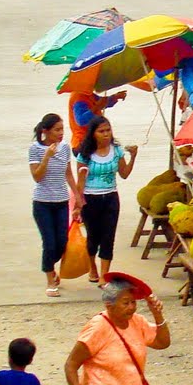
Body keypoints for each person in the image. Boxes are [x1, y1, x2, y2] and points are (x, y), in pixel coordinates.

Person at [72, 116, 138, 285]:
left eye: (108, 130)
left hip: (110, 198)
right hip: (90, 199)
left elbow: (124, 174)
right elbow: (80, 181)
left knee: (108, 237)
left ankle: (104, 275)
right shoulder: (85, 154)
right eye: (101, 131)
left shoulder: (116, 151)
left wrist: (133, 157)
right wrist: (78, 205)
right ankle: (92, 266)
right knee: (93, 237)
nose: (106, 134)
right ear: (93, 134)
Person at [29, 113, 77, 296]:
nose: (60, 133)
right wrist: (47, 156)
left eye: (62, 129)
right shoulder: (35, 149)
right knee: (49, 243)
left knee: (62, 243)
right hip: (42, 202)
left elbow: (68, 173)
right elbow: (37, 177)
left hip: (61, 200)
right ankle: (50, 279)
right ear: (45, 131)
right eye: (57, 130)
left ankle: (49, 266)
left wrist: (78, 195)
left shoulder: (64, 148)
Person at [67, 88, 124, 153]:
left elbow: (102, 101)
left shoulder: (88, 94)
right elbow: (81, 120)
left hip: (94, 140)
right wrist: (97, 107)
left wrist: (115, 97)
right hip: (83, 142)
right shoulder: (78, 97)